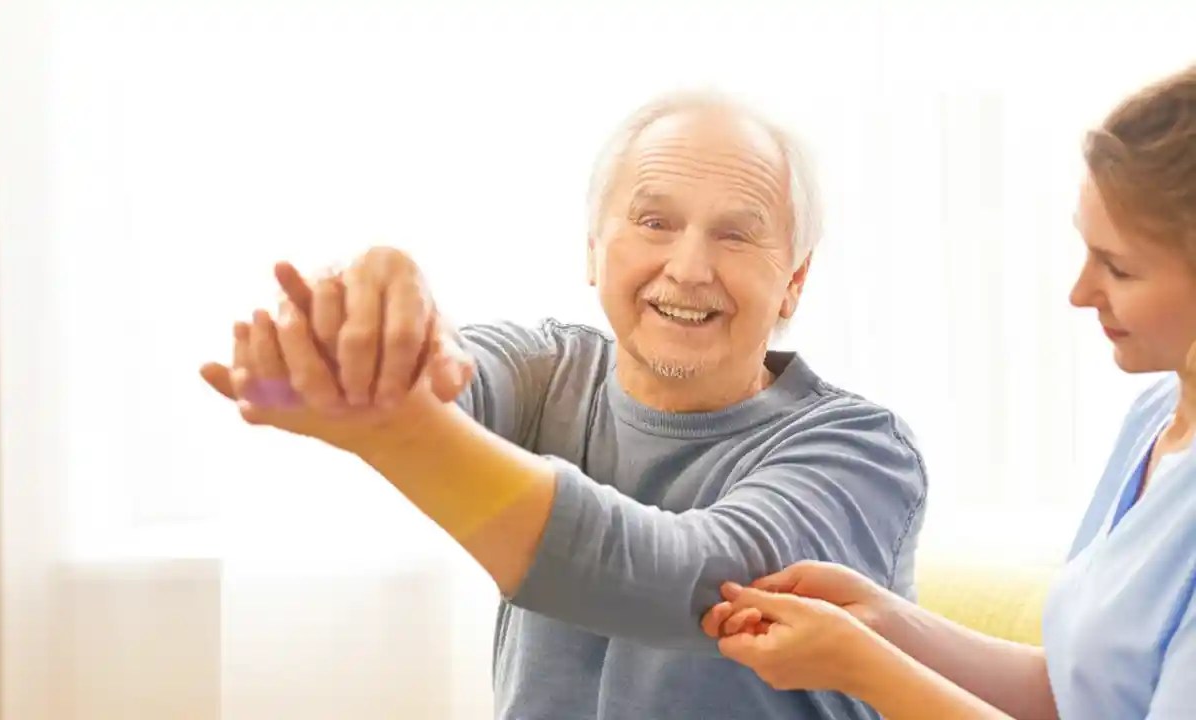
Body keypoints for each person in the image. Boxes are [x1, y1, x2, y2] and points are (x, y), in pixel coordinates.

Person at [200, 92, 929, 719]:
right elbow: (446, 372)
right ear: (591, 249)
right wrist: (368, 317)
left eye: (735, 235)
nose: (689, 267)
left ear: (794, 282)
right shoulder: (548, 370)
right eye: (653, 223)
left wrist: (397, 424)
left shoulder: (861, 450)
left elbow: (683, 581)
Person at [700, 64, 1196, 719]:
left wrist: (861, 666)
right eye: (1087, 250)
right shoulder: (1159, 413)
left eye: (1120, 267)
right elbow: (1080, 693)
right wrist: (887, 625)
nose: (1080, 293)